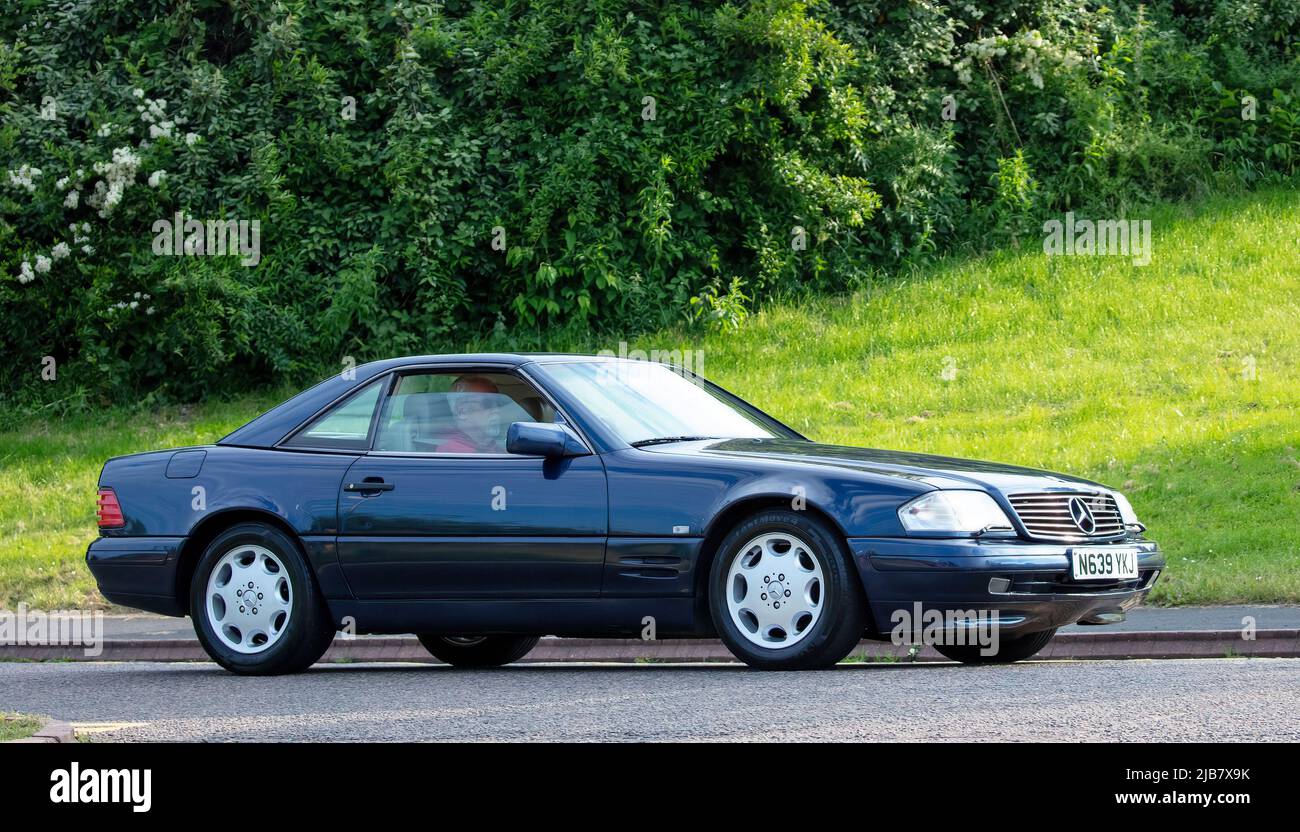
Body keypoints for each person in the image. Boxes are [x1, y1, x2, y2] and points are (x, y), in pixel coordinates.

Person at [438, 376, 506, 453]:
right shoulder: (455, 453)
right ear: (463, 412)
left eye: (499, 404)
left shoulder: (492, 447)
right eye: (487, 403)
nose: (496, 410)